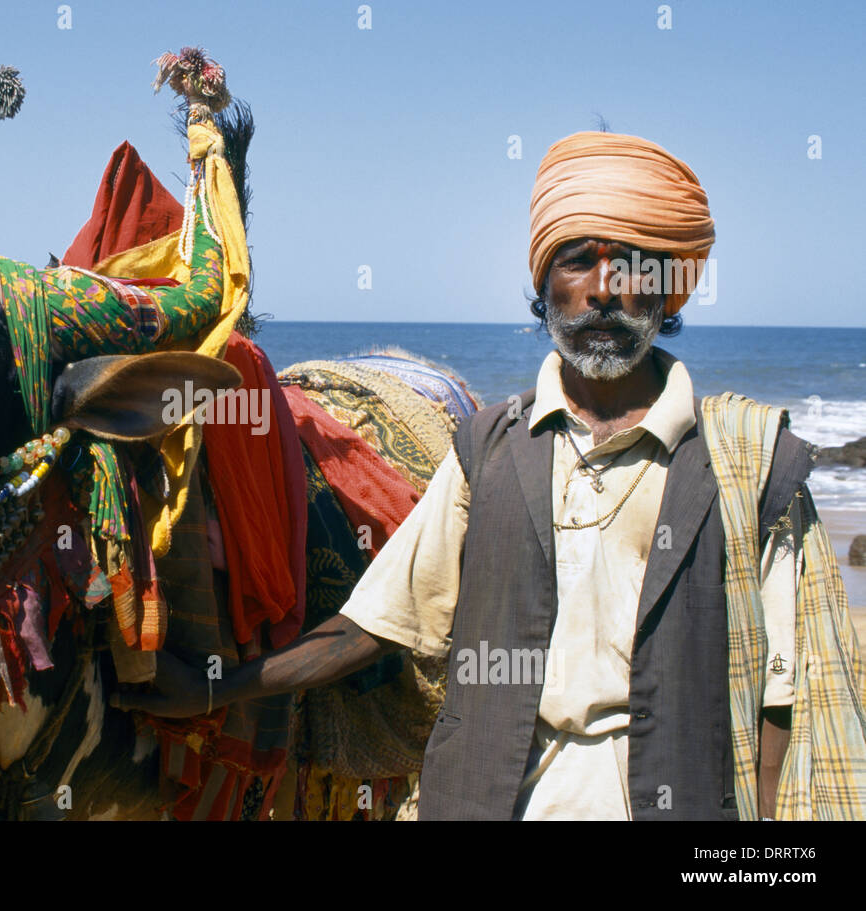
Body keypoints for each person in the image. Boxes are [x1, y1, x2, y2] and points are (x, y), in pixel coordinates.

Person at [112, 131, 866, 820]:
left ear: (667, 289)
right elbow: (371, 624)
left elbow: (787, 703)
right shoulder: (489, 451)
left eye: (631, 263)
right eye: (577, 260)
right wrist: (213, 688)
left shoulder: (745, 463)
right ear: (544, 289)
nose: (603, 287)